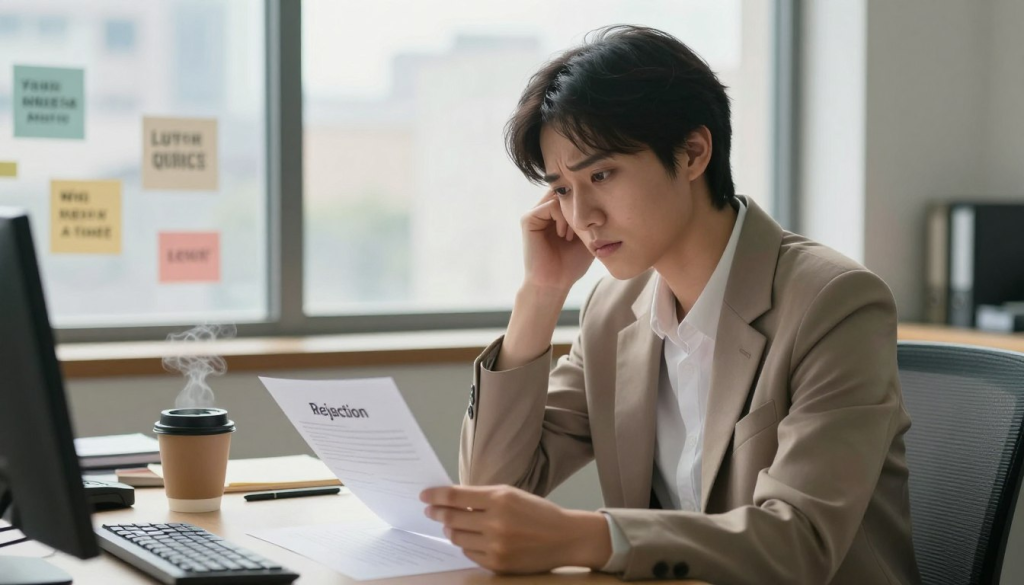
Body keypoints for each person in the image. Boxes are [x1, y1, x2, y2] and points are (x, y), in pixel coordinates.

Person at [419, 25, 921, 584]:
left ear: (691, 152)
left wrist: (591, 536)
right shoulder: (613, 309)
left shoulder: (834, 302)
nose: (582, 215)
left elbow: (800, 541)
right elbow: (493, 490)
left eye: (602, 174)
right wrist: (540, 294)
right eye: (562, 188)